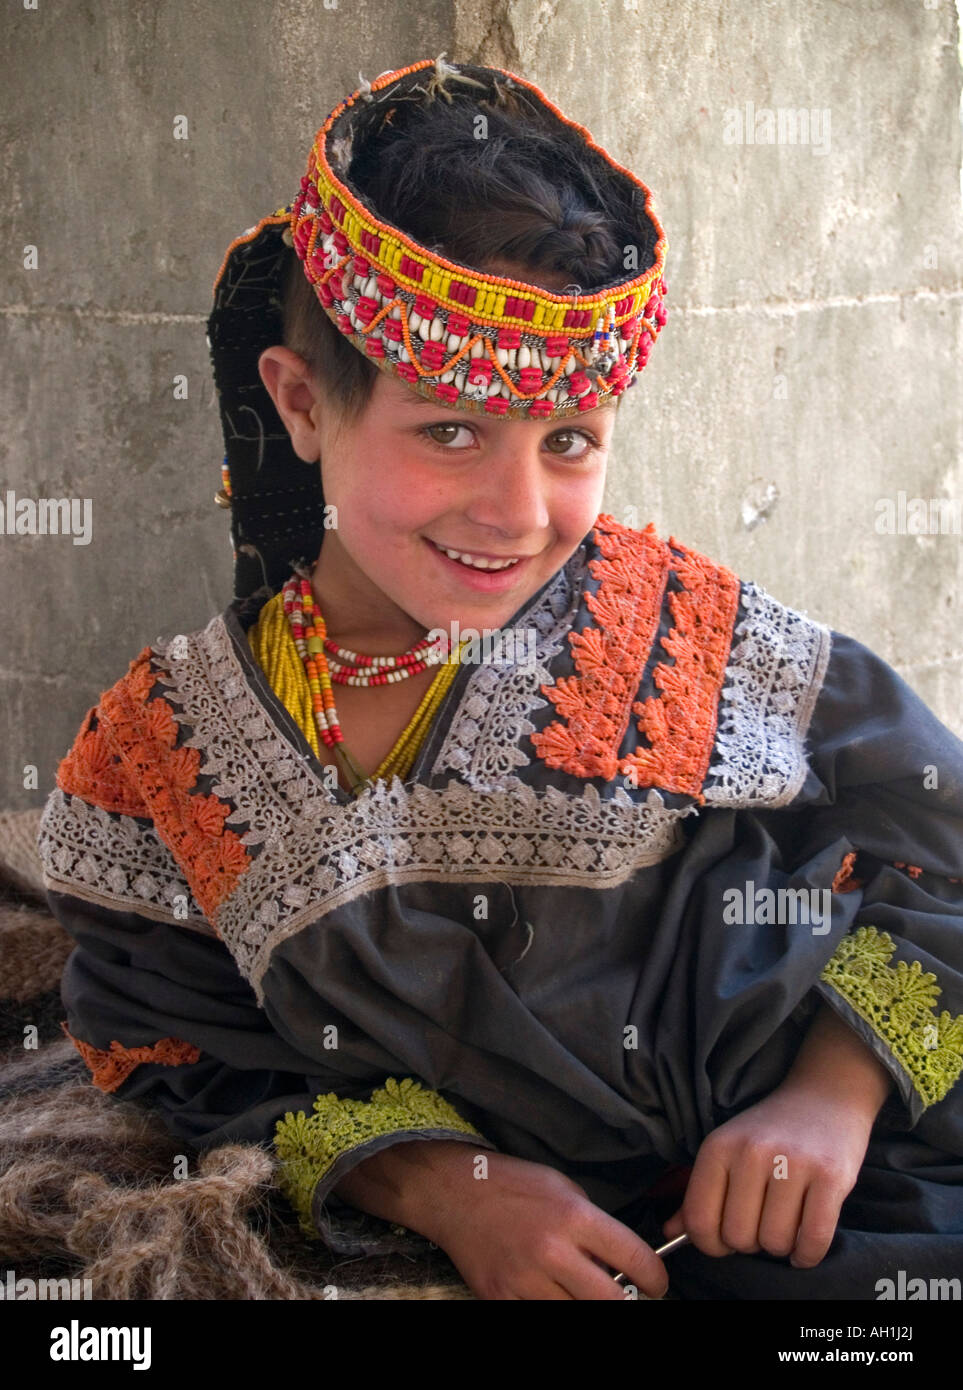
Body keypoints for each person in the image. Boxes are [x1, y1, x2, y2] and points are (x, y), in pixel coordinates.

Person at [37, 56, 963, 1302]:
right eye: (451, 431)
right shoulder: (160, 757)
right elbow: (174, 1046)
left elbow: (944, 845)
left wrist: (831, 1097)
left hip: (858, 1196)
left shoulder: (695, 635)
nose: (520, 512)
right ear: (303, 403)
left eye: (570, 439)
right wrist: (445, 1185)